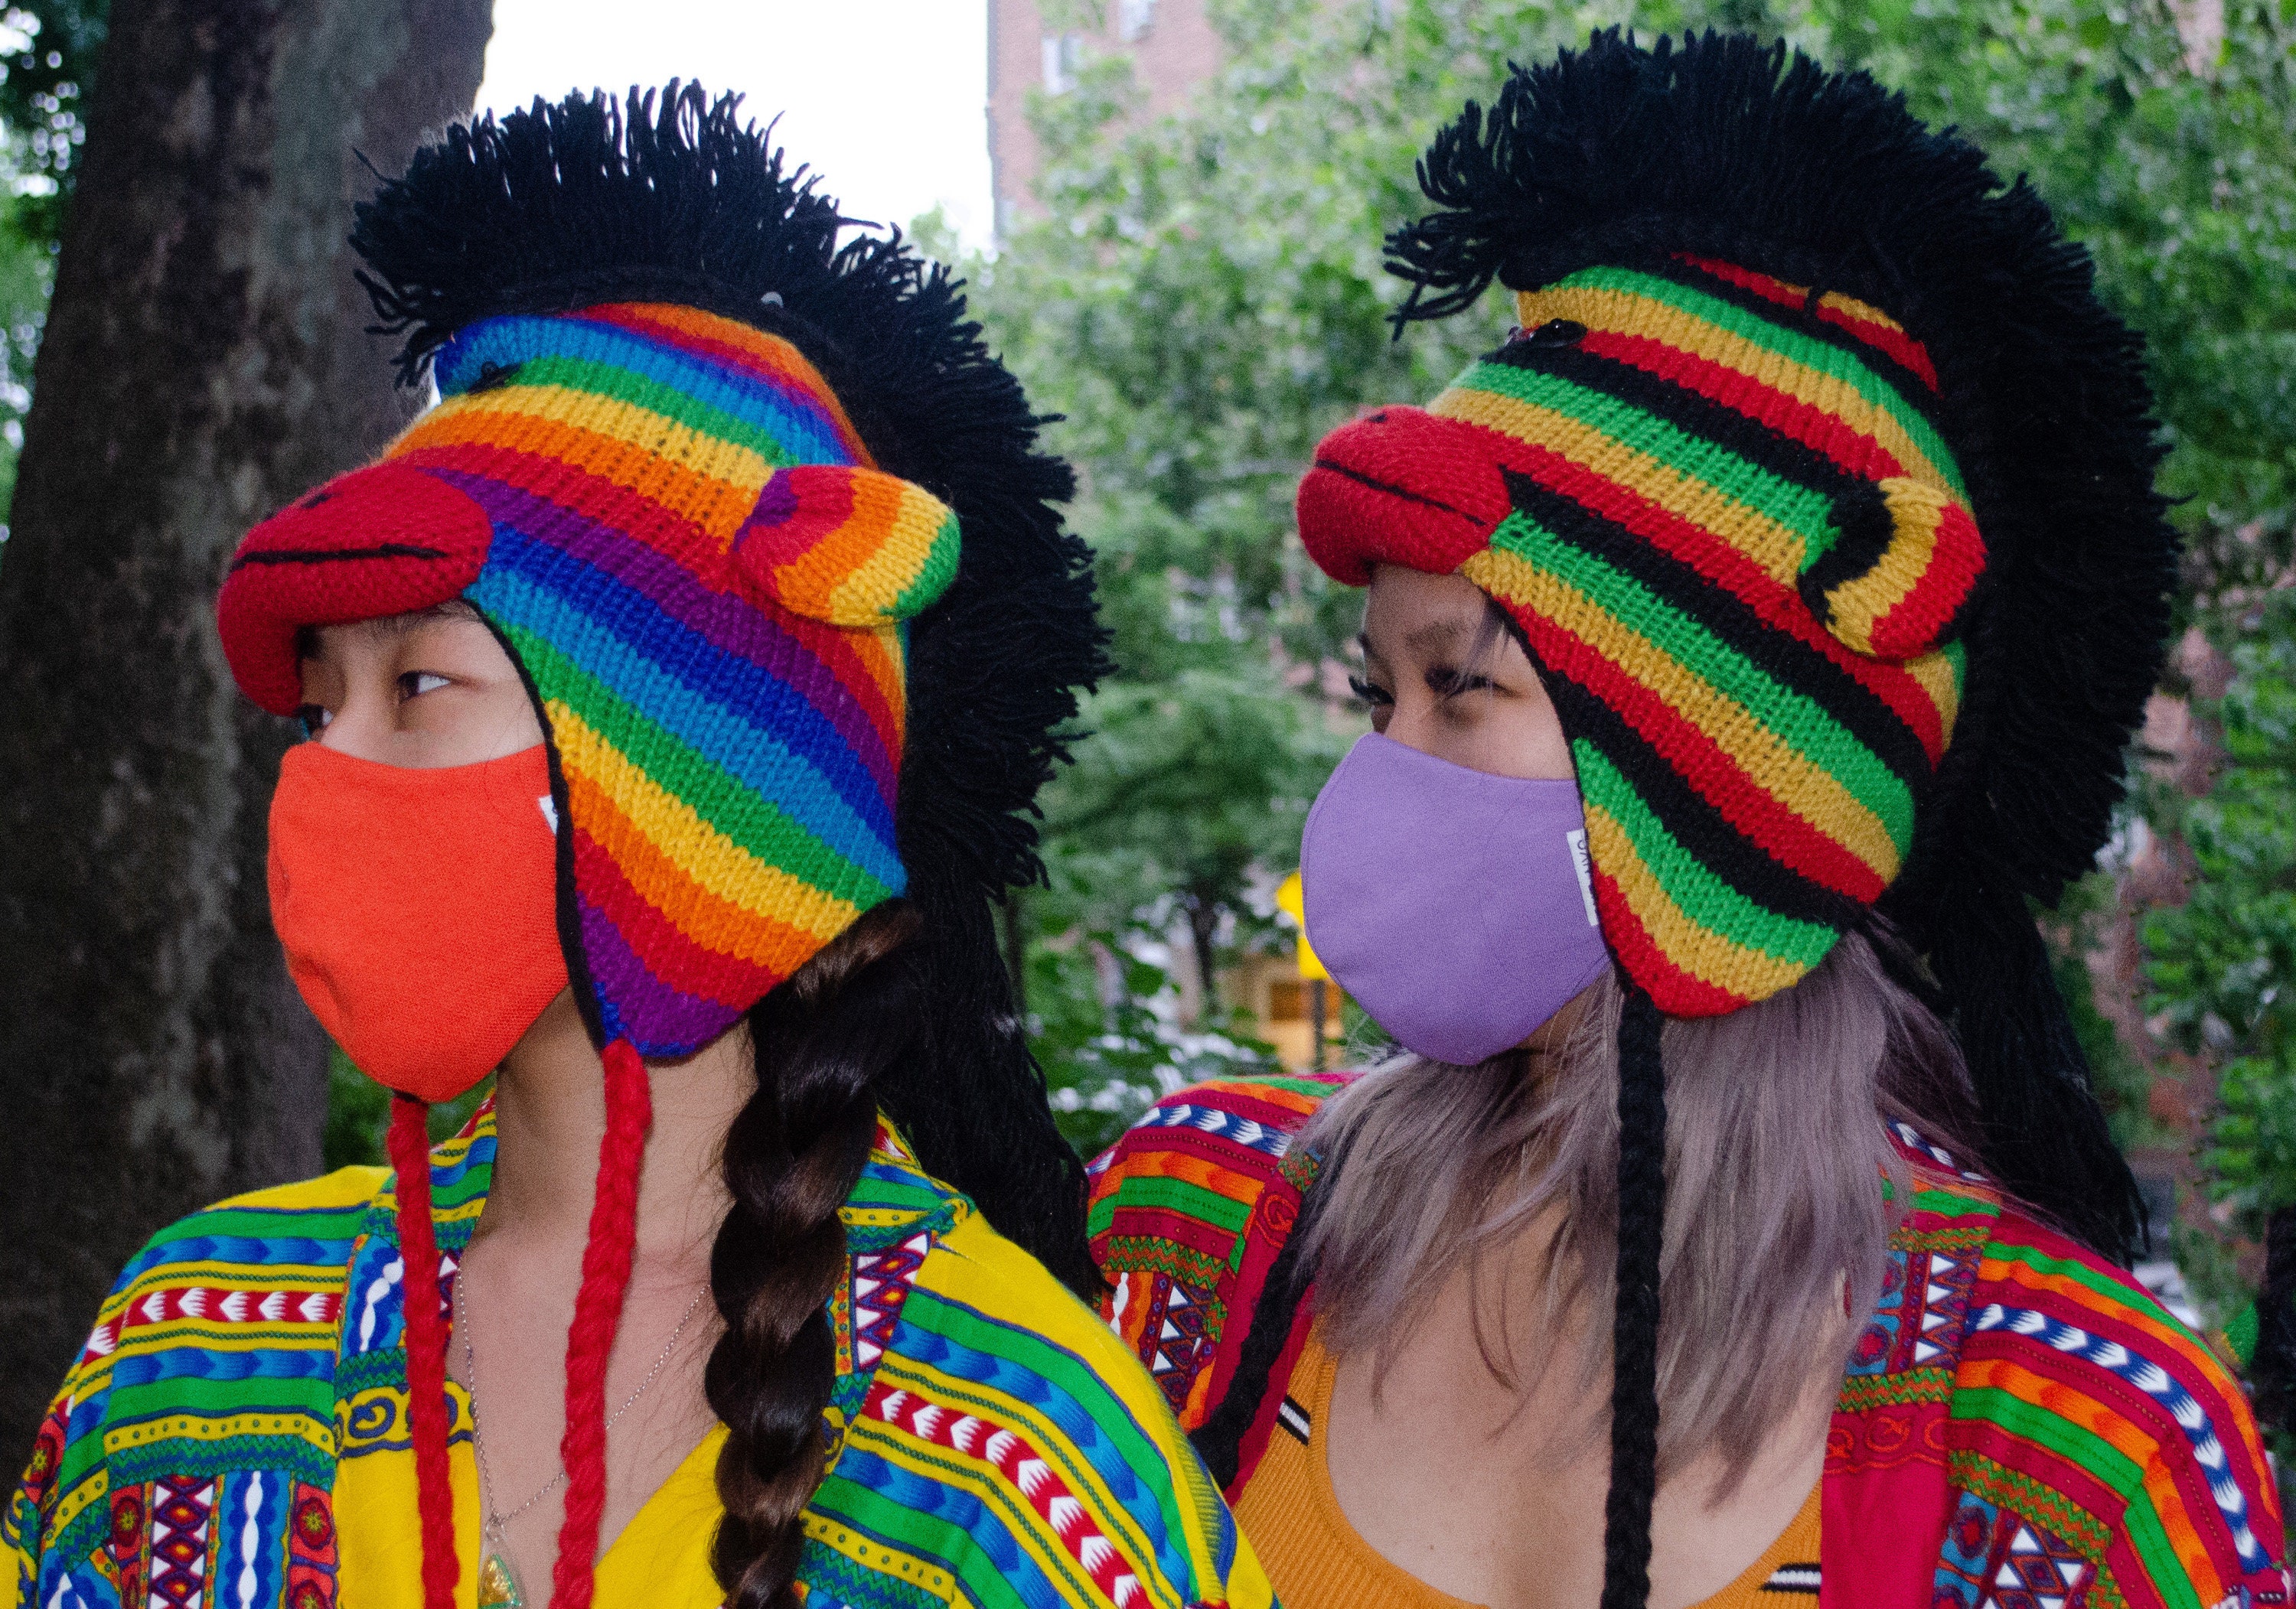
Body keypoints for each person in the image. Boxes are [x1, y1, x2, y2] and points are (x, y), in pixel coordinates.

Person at [5, 86, 1270, 1609]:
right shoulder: (185, 1343)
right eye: (317, 702)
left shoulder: (1030, 1463)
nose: (327, 771)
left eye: (418, 684)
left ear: (700, 800)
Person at [1089, 32, 2290, 1609]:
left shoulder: (2081, 1455)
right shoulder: (1195, 1239)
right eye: (1379, 697)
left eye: (1463, 688)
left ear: (1721, 794)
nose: (1380, 773)